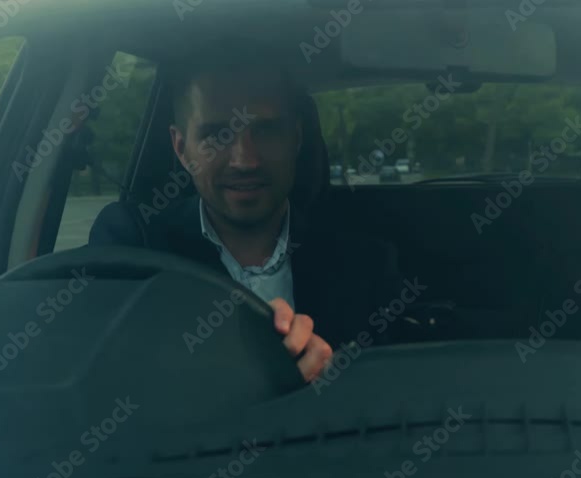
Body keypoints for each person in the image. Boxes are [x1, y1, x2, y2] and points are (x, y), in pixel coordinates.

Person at [89, 51, 401, 383]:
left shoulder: (367, 265)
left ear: (296, 139)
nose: (245, 160)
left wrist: (340, 386)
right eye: (216, 135)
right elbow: (103, 382)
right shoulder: (132, 246)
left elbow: (396, 399)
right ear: (181, 149)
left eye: (266, 131)